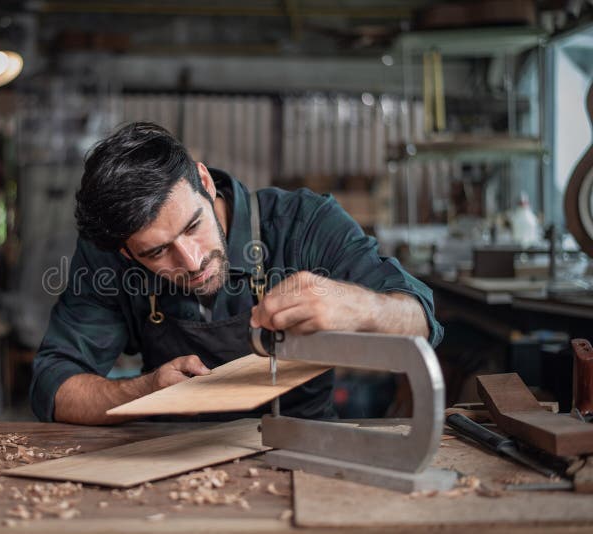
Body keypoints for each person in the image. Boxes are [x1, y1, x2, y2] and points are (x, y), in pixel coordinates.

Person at [30, 122, 443, 424]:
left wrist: (362, 307)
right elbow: (53, 386)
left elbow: (422, 320)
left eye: (192, 226)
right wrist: (145, 390)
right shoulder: (109, 255)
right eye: (157, 251)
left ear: (205, 182)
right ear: (125, 250)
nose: (191, 262)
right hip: (172, 460)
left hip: (306, 451)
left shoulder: (305, 223)